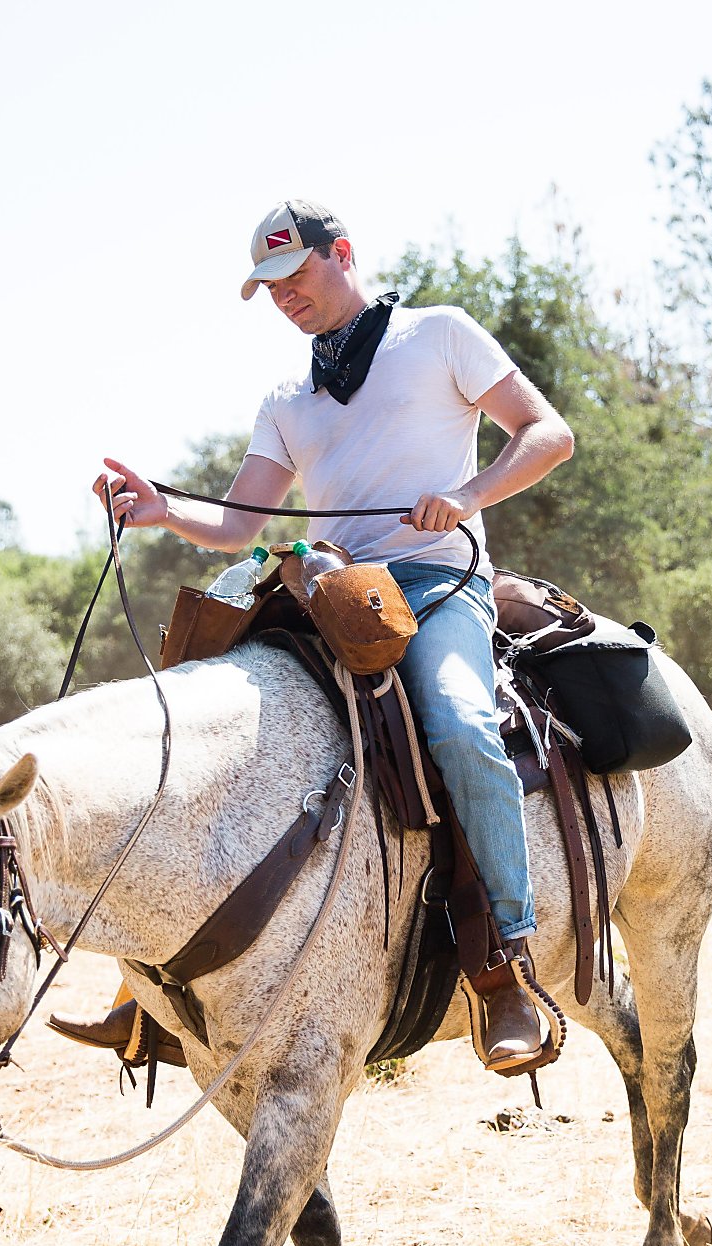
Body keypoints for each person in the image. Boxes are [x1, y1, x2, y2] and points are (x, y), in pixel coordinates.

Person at [49, 199, 576, 1074]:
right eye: (271, 287)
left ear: (344, 255)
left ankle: (506, 965)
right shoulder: (289, 399)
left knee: (458, 723)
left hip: (436, 584)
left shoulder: (437, 335)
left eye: (296, 276)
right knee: (198, 726)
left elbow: (548, 434)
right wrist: (158, 510)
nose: (285, 297)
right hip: (329, 588)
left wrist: (470, 495)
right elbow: (239, 521)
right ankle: (143, 997)